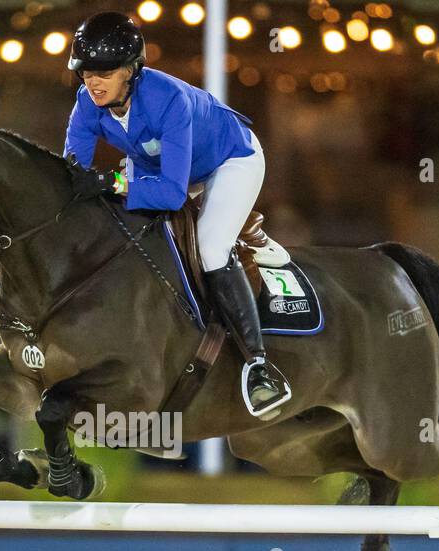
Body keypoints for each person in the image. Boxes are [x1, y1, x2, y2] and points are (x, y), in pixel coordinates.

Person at [61, 11, 290, 418]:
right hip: (161, 168)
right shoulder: (86, 104)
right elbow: (71, 176)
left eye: (104, 71)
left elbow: (169, 194)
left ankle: (259, 366)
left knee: (211, 248)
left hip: (228, 159)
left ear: (131, 70)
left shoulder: (168, 99)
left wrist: (112, 183)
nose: (93, 81)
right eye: (85, 72)